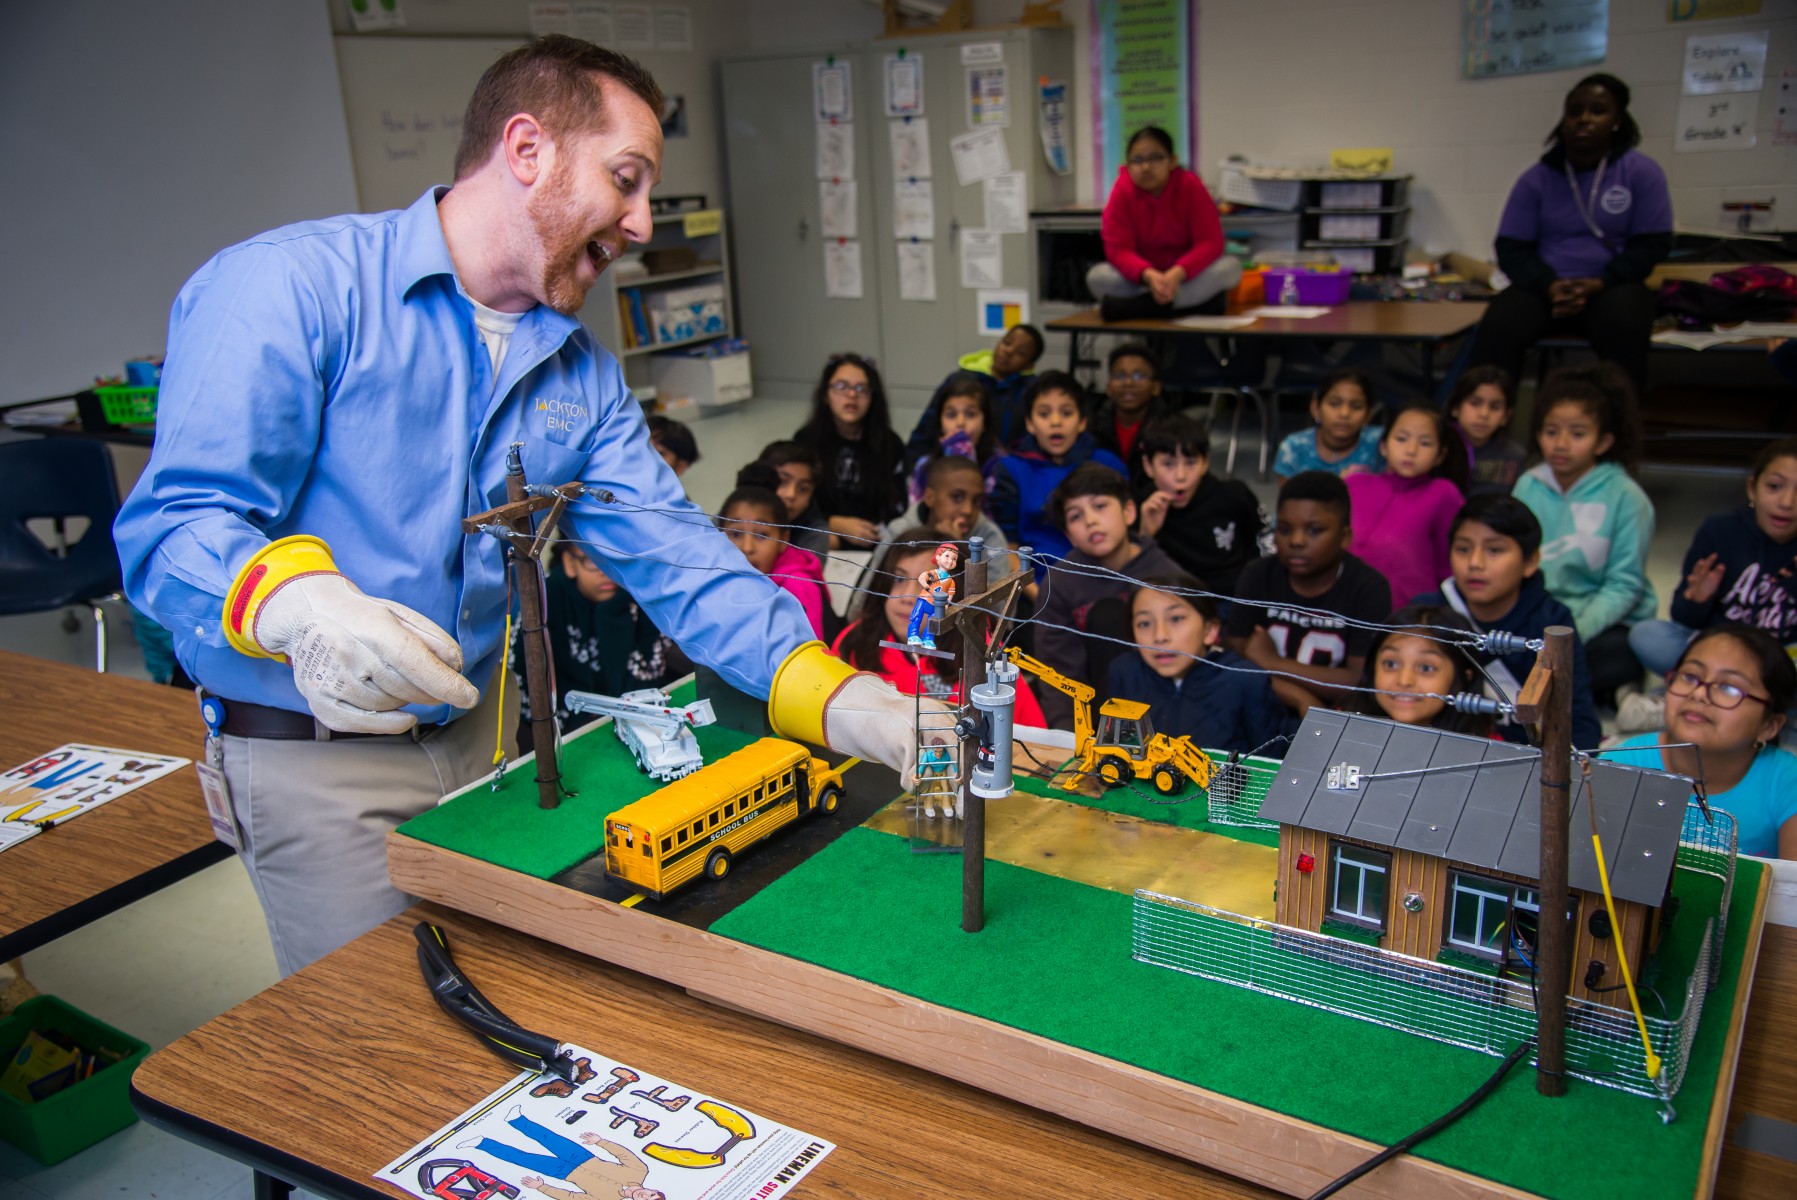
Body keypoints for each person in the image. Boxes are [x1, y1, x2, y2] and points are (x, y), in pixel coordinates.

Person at [111, 36, 923, 976]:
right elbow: (172, 529)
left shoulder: (581, 371)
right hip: (314, 761)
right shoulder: (290, 288)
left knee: (527, 1011)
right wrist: (299, 606)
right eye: (626, 180)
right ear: (527, 149)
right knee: (384, 1050)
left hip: (496, 743)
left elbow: (686, 567)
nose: (642, 221)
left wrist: (854, 703)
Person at [1467, 74, 1672, 396]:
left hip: (1611, 285)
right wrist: (1549, 284)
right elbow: (1511, 248)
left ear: (1617, 120)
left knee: (1626, 323)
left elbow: (1653, 244)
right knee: (1499, 325)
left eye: (1597, 111)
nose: (1584, 119)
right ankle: (1482, 431)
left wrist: (1602, 282)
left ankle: (1618, 431)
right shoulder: (1536, 178)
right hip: (1546, 287)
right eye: (1575, 111)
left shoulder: (1641, 172)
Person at [1513, 363, 1654, 706]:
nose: (1560, 444)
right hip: (1541, 614)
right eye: (1550, 431)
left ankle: (1607, 687)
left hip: (1598, 624)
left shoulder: (1626, 497)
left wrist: (1570, 634)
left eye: (1577, 434)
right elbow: (1515, 560)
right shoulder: (1527, 484)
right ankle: (1599, 690)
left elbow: (1623, 586)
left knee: (1628, 650)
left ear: (1603, 441)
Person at [1414, 495, 1603, 750]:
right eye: (1463, 549)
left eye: (1494, 550)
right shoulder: (1426, 613)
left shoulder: (1552, 623)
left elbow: (1576, 717)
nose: (1475, 563)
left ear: (1530, 562)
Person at [1609, 625, 1797, 860]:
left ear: (1769, 726)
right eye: (1690, 676)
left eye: (1729, 687)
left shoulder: (1787, 782)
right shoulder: (1619, 765)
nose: (1698, 694)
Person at [832, 529, 1048, 722]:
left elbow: (1032, 735)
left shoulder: (982, 650)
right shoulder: (855, 641)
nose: (907, 597)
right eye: (898, 579)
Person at [1225, 472, 1392, 718]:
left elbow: (1359, 682)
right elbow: (1236, 661)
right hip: (1259, 704)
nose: (1296, 540)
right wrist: (1300, 696)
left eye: (1314, 530)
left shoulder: (1369, 588)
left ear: (1345, 536)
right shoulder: (1258, 574)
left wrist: (1273, 663)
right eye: (1284, 529)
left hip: (1337, 715)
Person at [1630, 437, 1797, 678]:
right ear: (1752, 488)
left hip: (1779, 660)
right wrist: (1697, 600)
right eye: (1774, 487)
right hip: (1716, 650)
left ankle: (1699, 690)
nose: (1786, 503)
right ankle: (1750, 701)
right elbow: (1682, 616)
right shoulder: (1720, 531)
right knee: (1647, 634)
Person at [1036, 464, 1182, 730]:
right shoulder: (1060, 583)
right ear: (1068, 535)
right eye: (1076, 516)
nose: (1090, 520)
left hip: (1165, 715)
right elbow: (1058, 674)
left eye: (1100, 506)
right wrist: (1069, 739)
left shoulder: (1165, 574)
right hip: (1097, 720)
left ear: (1128, 512)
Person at [512, 541, 687, 749]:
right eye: (593, 561)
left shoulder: (641, 595)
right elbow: (530, 688)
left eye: (613, 560)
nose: (605, 572)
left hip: (639, 725)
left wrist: (612, 613)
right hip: (567, 737)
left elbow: (649, 681)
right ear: (570, 562)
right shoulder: (543, 602)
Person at [1087, 126, 1242, 322]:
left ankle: (1139, 307)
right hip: (1144, 280)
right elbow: (1118, 250)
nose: (1146, 167)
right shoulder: (1121, 192)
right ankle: (1193, 305)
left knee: (1230, 268)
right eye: (1137, 160)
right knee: (1097, 277)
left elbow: (1210, 243)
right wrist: (1150, 275)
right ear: (1127, 164)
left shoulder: (1190, 186)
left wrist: (1176, 274)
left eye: (1155, 158)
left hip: (1185, 277)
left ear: (1172, 161)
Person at [989, 371, 1127, 570]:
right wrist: (1040, 597)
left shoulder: (1108, 464)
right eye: (1044, 414)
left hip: (1103, 577)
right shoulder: (1011, 468)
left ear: (1082, 422)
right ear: (1030, 423)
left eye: (1066, 413)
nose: (1055, 422)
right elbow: (1008, 547)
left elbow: (1124, 534)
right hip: (1034, 584)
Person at [1345, 403, 1467, 607]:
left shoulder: (1443, 493)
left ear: (1440, 455)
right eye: (1401, 439)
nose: (1411, 450)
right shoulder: (1355, 484)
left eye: (1425, 443)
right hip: (1346, 604)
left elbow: (1449, 562)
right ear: (1383, 446)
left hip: (1409, 613)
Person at [1134, 413, 1266, 597]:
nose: (1181, 475)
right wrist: (1146, 533)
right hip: (1173, 598)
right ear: (1148, 466)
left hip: (1230, 595)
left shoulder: (1233, 495)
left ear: (1205, 462)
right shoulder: (1141, 504)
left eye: (1190, 463)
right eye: (1168, 464)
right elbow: (1134, 574)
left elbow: (1262, 542)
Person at [793, 351, 907, 547]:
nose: (852, 395)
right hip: (821, 534)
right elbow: (795, 501)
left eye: (861, 388)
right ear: (826, 395)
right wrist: (833, 524)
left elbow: (898, 506)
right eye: (841, 386)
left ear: (873, 398)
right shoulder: (805, 441)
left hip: (874, 541)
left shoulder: (890, 444)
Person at [1346, 605, 1492, 736]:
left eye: (1426, 668)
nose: (1404, 681)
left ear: (1464, 678)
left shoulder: (1492, 754)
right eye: (1390, 664)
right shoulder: (1341, 728)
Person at [721, 468, 830, 641]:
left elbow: (809, 657)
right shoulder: (720, 577)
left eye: (761, 535)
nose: (747, 548)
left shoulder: (798, 585)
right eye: (735, 534)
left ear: (783, 539)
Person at [903, 324, 1045, 453]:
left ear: (1029, 365)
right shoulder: (960, 379)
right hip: (953, 461)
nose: (1008, 351)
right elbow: (927, 427)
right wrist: (912, 465)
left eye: (1020, 352)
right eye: (1006, 342)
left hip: (1003, 469)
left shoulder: (1030, 391)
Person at [472, 1109, 663, 1200]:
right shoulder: (639, 1171)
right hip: (582, 1157)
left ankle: (482, 1143)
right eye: (652, 1195)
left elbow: (571, 1197)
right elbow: (623, 1154)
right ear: (653, 1189)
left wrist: (542, 1187)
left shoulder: (608, 1199)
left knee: (521, 1158)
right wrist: (600, 1142)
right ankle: (516, 1120)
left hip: (563, 1173)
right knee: (548, 1138)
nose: (645, 1196)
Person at [903, 371, 1003, 504]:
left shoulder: (1001, 468)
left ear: (985, 423)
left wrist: (965, 460)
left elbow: (984, 517)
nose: (960, 423)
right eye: (951, 415)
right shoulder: (924, 466)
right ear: (941, 423)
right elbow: (915, 516)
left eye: (970, 414)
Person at [1271, 369, 1383, 483]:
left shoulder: (1382, 444)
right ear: (1316, 408)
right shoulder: (1294, 448)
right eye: (1334, 404)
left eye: (1356, 406)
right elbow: (1288, 499)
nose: (1344, 413)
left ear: (1368, 415)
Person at [1448, 366, 1527, 498]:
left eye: (1495, 407)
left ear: (1506, 416)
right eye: (1475, 403)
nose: (1484, 414)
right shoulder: (1436, 449)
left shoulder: (1516, 457)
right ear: (1455, 408)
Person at [1090, 342, 1169, 467]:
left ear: (1156, 387)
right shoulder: (1092, 426)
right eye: (1119, 376)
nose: (1128, 383)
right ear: (1108, 387)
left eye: (1138, 376)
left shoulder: (1170, 429)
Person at [753, 440, 831, 563]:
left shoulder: (815, 534)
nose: (791, 494)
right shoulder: (734, 512)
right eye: (783, 481)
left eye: (803, 489)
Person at [906, 541, 958, 649]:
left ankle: (928, 639)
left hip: (937, 605)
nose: (950, 561)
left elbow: (950, 594)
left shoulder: (950, 581)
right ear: (938, 557)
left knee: (933, 622)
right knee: (916, 616)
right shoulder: (933, 573)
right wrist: (927, 587)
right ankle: (913, 635)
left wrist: (945, 605)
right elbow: (922, 578)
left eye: (954, 559)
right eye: (947, 556)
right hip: (924, 600)